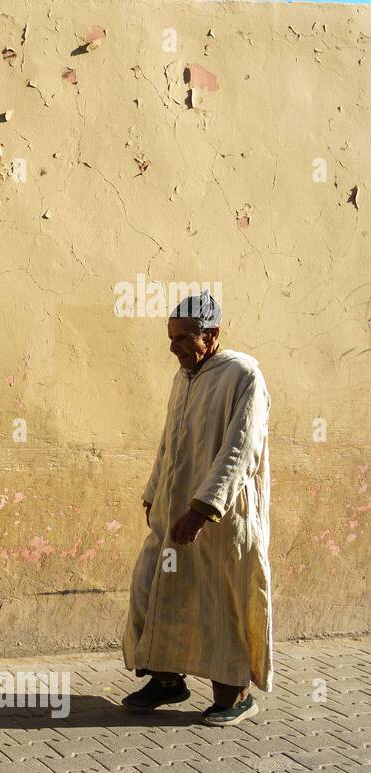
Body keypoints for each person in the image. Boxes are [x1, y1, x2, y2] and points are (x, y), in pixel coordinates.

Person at [122, 290, 272, 726]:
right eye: (170, 338)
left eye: (183, 338)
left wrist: (204, 508)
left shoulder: (242, 375)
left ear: (212, 334)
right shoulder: (183, 378)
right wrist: (154, 492)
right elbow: (169, 441)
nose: (174, 348)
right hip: (173, 514)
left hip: (220, 523)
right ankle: (167, 681)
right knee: (152, 588)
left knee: (217, 604)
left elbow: (241, 448)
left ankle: (235, 695)